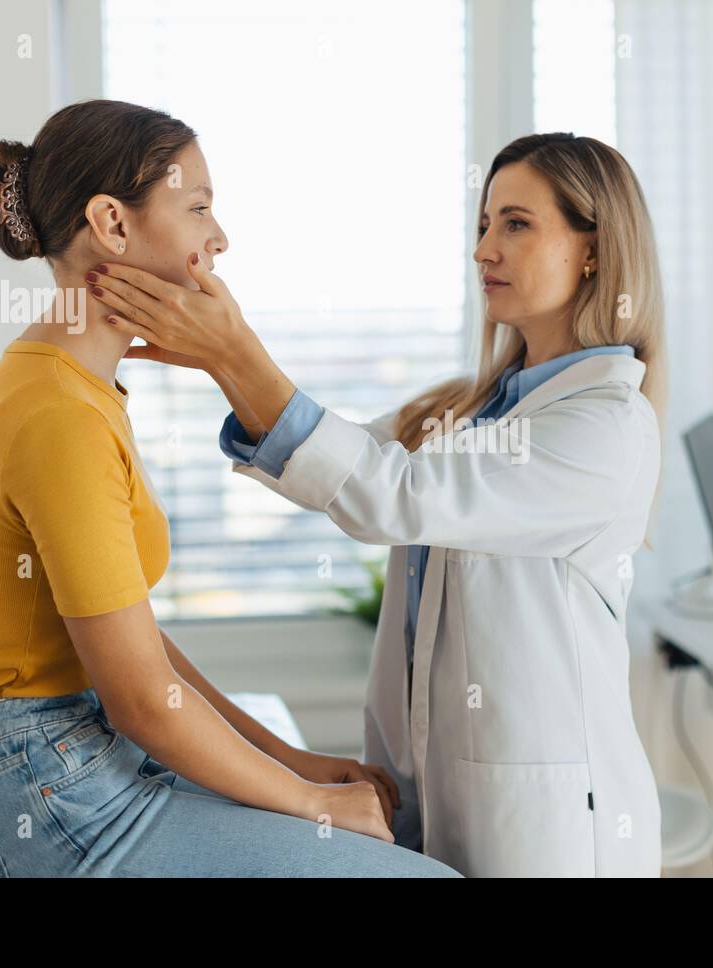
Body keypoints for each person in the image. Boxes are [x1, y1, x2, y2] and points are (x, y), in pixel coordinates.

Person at [90, 133, 668, 876]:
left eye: (516, 224)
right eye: (483, 225)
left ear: (594, 247)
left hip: (554, 830)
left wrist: (236, 352)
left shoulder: (606, 427)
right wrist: (220, 363)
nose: (484, 249)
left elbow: (392, 495)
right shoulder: (473, 409)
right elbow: (350, 461)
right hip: (433, 789)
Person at [0, 99, 459, 878]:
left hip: (63, 771)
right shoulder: (58, 417)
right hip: (38, 800)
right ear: (113, 223)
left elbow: (136, 658)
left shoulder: (73, 387)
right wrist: (311, 804)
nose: (220, 237)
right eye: (198, 206)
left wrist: (293, 763)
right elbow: (140, 701)